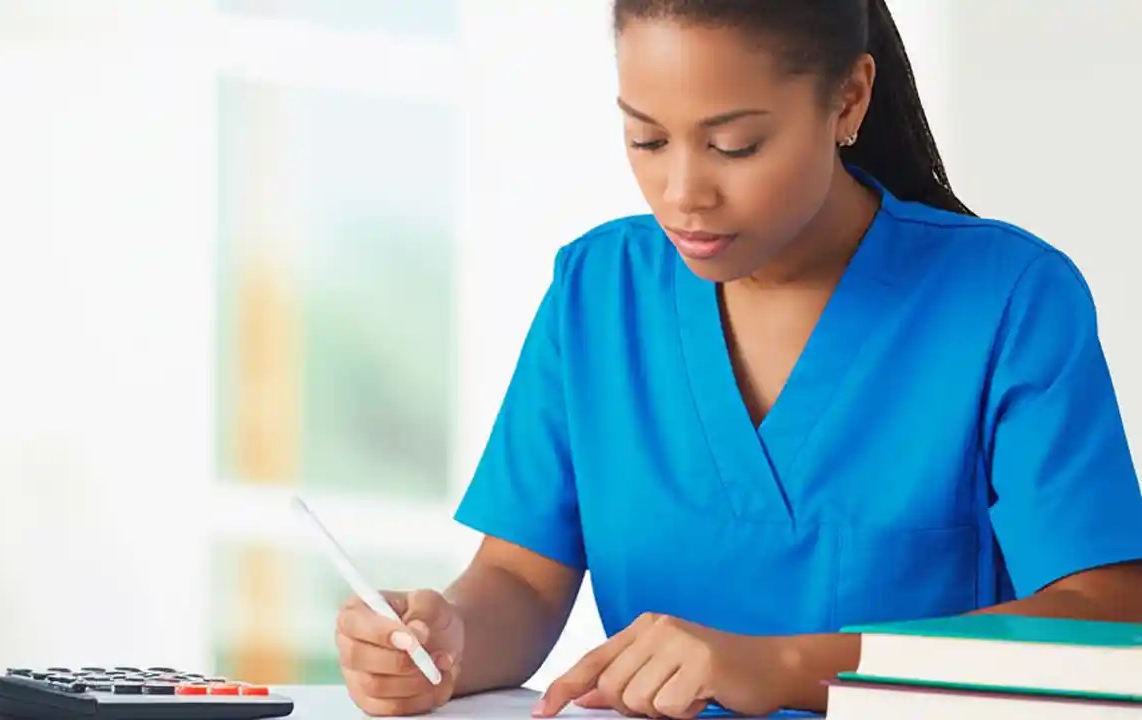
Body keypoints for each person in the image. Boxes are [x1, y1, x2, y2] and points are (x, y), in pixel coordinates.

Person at [334, 0, 1142, 717]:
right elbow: (519, 580)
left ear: (848, 100)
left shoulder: (1007, 298)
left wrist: (786, 666)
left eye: (735, 145)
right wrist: (447, 642)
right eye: (646, 138)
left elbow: (1107, 614)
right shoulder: (597, 292)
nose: (683, 192)